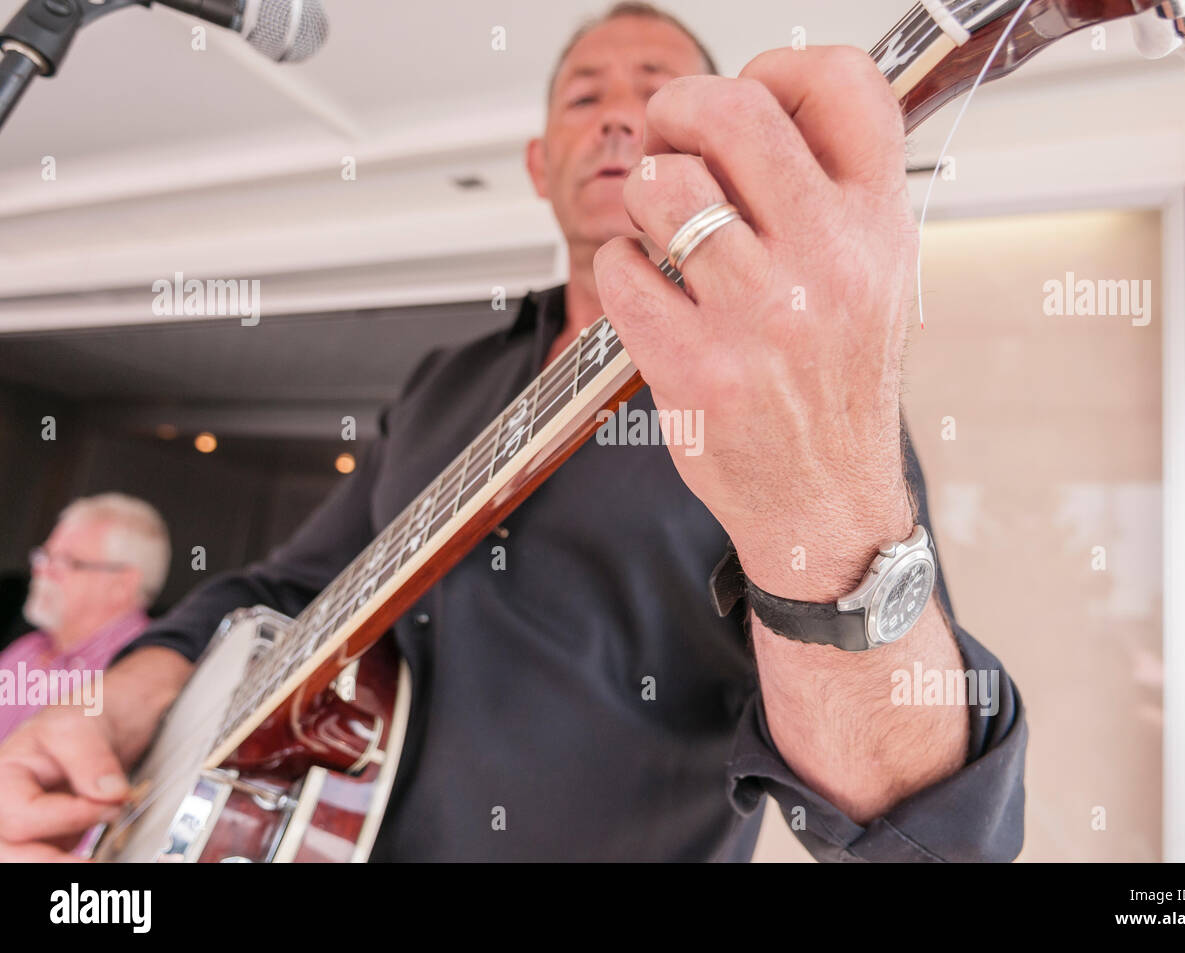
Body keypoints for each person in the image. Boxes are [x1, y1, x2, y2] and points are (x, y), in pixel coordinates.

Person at [0, 2, 1026, 862]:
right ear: (541, 163)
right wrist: (124, 698)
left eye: (657, 93)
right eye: (586, 97)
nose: (621, 118)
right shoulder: (449, 378)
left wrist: (823, 493)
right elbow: (278, 586)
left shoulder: (792, 388)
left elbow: (926, 829)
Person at [0, 494, 170, 744]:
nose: (41, 570)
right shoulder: (27, 647)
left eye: (67, 561)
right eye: (44, 556)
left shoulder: (145, 666)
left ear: (122, 584)